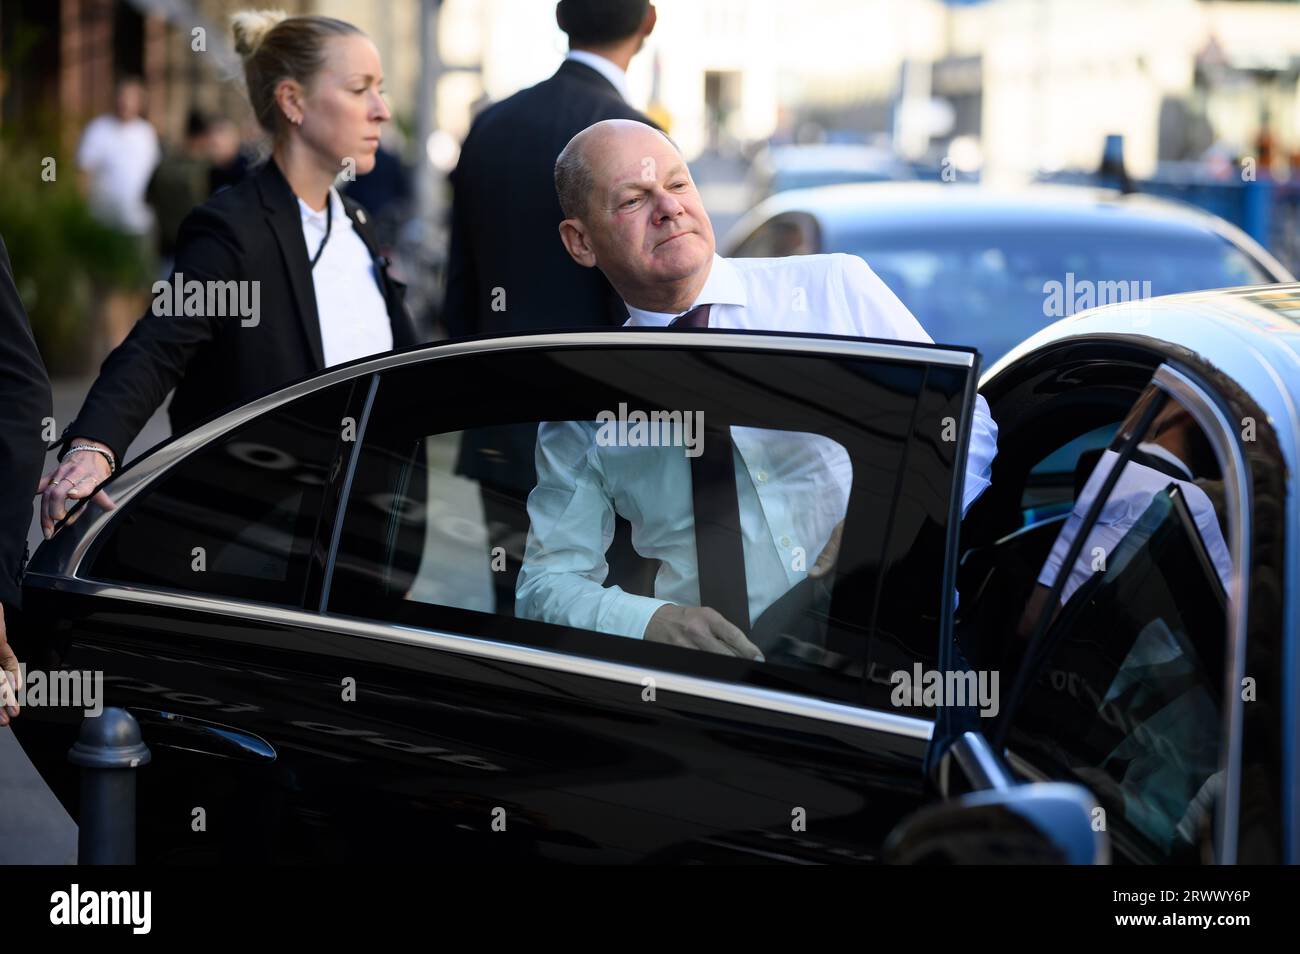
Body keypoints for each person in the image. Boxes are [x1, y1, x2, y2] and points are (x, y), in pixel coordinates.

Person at [514, 119, 999, 658]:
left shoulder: (833, 289)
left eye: (678, 185)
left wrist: (884, 521)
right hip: (722, 694)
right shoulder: (587, 396)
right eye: (632, 199)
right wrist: (652, 623)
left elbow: (967, 421)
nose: (669, 208)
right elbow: (545, 584)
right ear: (580, 241)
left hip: (891, 663)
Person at [39, 10, 417, 539]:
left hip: (364, 541)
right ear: (293, 101)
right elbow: (157, 347)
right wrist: (94, 447)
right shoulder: (234, 228)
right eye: (360, 89)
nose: (381, 110)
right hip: (260, 548)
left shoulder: (357, 224)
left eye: (380, 89)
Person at [442, 0, 661, 611]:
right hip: (602, 441)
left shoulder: (490, 126)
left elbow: (458, 295)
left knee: (510, 619)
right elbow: (647, 303)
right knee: (592, 631)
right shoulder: (634, 137)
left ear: (562, 20)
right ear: (648, 23)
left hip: (497, 426)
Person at [76, 76, 161, 246]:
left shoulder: (147, 133)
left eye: (132, 98)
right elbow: (83, 173)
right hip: (104, 221)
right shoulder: (99, 129)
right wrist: (82, 211)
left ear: (140, 103)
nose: (126, 103)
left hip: (139, 222)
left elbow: (155, 173)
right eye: (123, 96)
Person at [146, 110, 215, 273]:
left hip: (165, 249)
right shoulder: (207, 169)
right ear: (203, 137)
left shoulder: (164, 165)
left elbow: (147, 198)